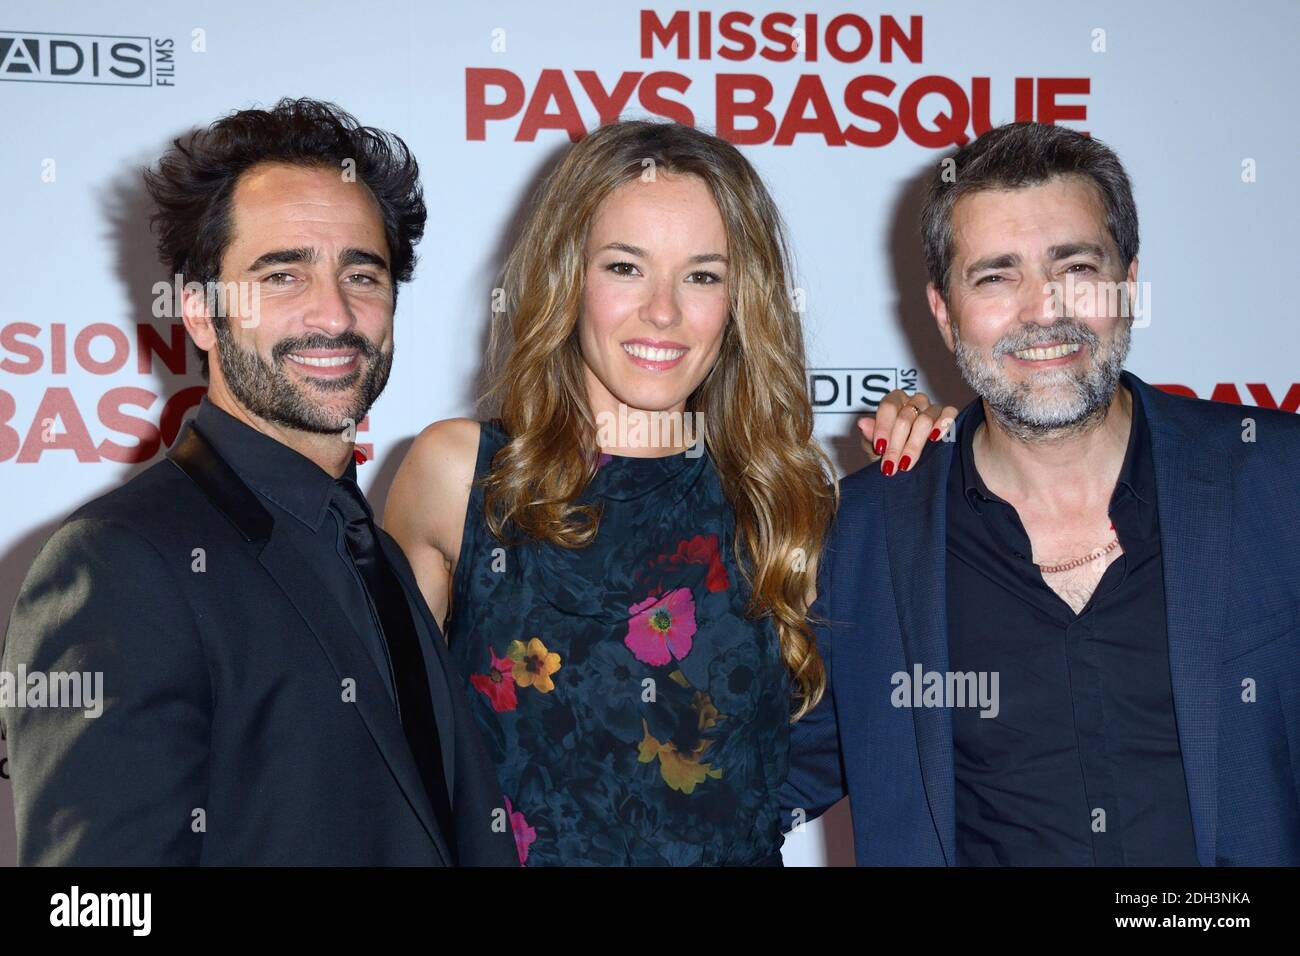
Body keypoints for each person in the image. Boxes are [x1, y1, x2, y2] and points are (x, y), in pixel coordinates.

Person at [385, 119, 952, 865]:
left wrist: (947, 472)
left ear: (740, 300)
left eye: (703, 275)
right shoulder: (461, 475)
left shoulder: (788, 503)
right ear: (567, 276)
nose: (663, 310)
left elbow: (885, 734)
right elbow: (377, 762)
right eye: (625, 267)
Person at [0, 98, 516, 866]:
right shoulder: (119, 565)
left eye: (362, 274)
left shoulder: (373, 550)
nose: (334, 315)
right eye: (283, 275)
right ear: (200, 313)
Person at [780, 121, 1300, 866]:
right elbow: (745, 783)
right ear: (943, 311)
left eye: (1076, 266)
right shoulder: (861, 539)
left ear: (1128, 284)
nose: (1044, 310)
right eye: (996, 276)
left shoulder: (1279, 482)